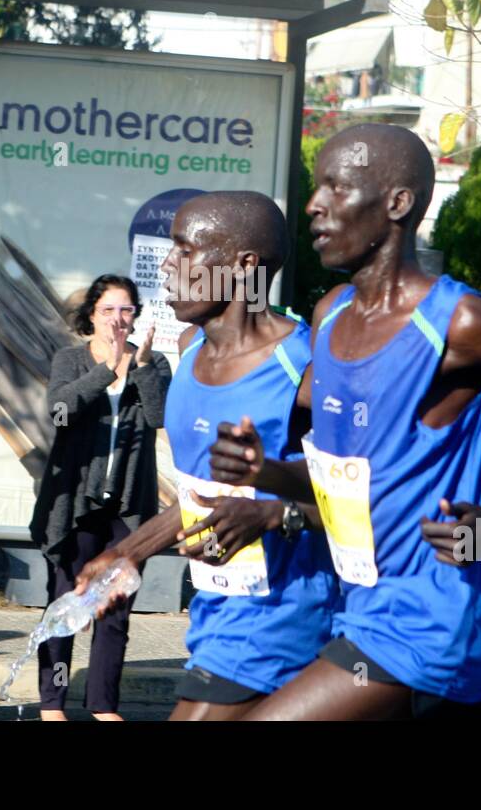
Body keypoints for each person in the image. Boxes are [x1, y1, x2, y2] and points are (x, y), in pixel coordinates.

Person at [210, 124, 481, 720]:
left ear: (397, 204)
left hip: (426, 620)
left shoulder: (463, 323)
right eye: (316, 188)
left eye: (336, 187)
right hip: (367, 610)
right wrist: (267, 472)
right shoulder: (329, 317)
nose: (314, 205)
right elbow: (345, 482)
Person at [76, 192, 338, 721]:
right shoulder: (191, 346)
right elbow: (209, 496)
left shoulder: (306, 371)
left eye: (184, 251)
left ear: (243, 267)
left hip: (286, 621)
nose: (167, 267)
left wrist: (273, 515)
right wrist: (134, 550)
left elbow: (364, 498)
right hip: (214, 617)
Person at [29, 275, 171, 721]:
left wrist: (141, 368)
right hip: (76, 505)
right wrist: (106, 370)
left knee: (114, 609)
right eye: (108, 310)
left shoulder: (156, 362)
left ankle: (103, 705)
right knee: (66, 603)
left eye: (126, 309)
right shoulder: (70, 359)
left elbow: (159, 415)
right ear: (91, 315)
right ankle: (53, 703)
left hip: (127, 506)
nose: (117, 319)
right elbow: (60, 410)